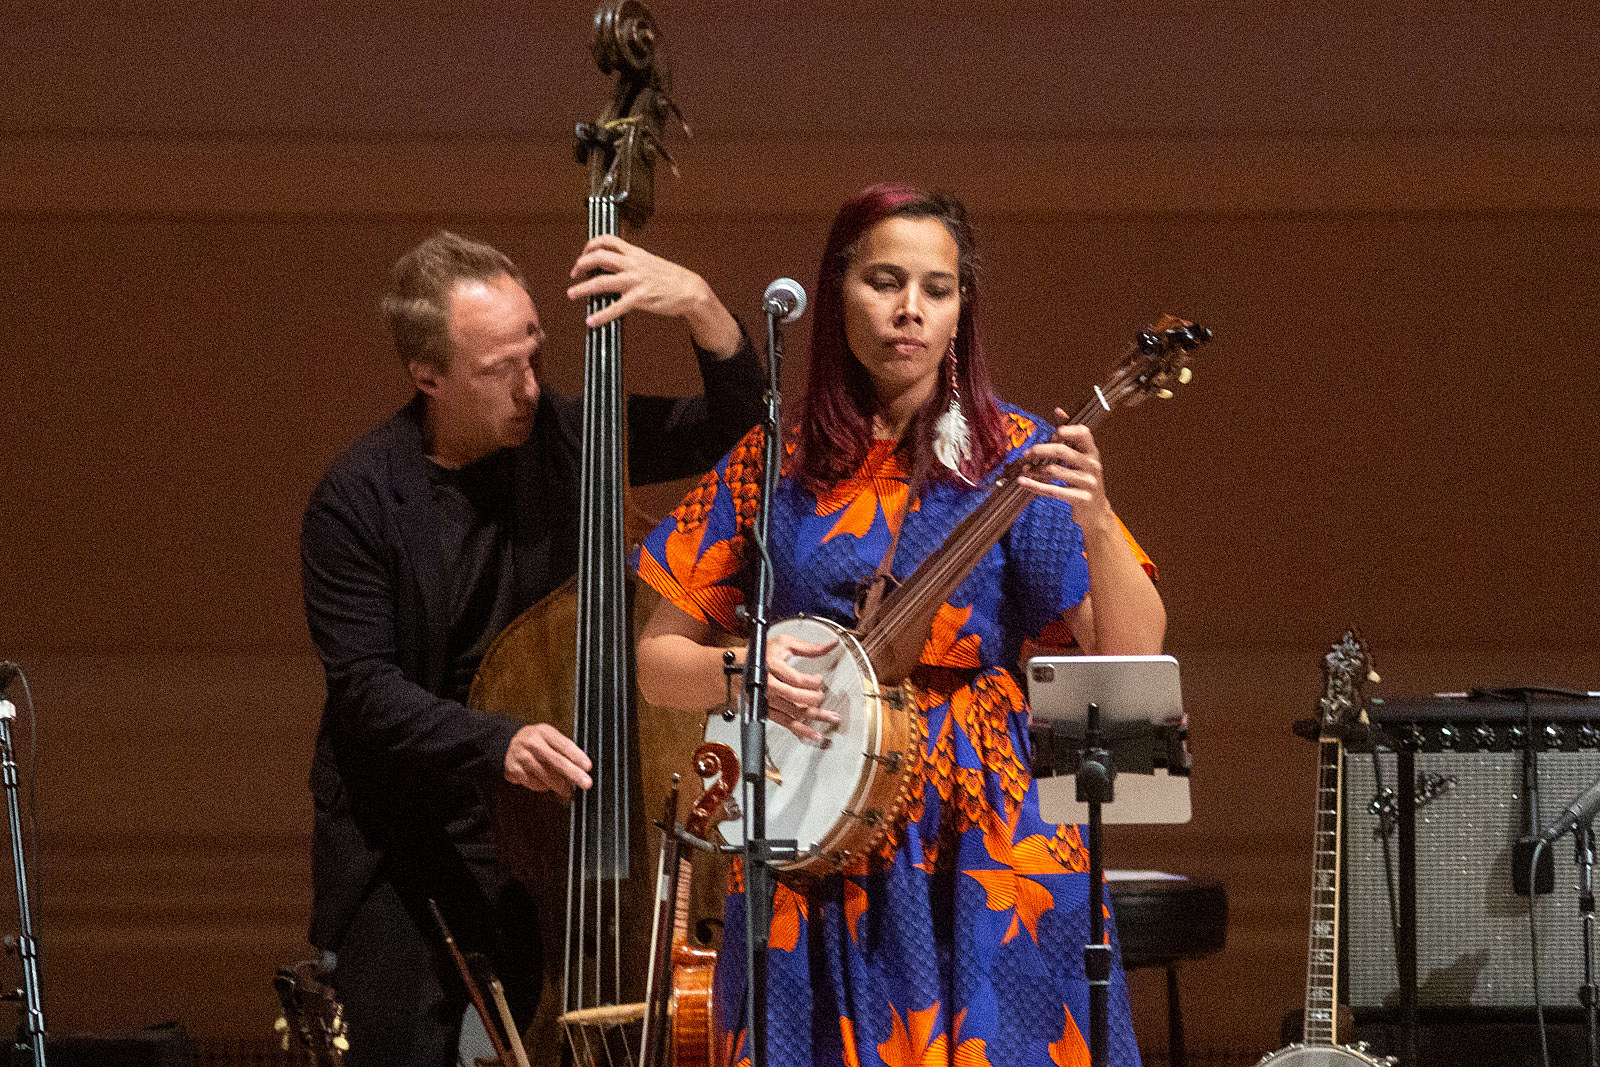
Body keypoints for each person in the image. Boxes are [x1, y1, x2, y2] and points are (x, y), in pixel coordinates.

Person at [633, 185, 1165, 1067]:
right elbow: (657, 662)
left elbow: (1134, 656)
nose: (910, 309)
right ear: (839, 289)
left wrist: (1099, 517)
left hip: (986, 839)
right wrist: (748, 663)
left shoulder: (1015, 459)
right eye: (885, 280)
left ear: (963, 311)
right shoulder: (773, 463)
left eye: (938, 287)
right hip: (811, 827)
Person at [301, 229, 765, 1067]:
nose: (529, 387)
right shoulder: (357, 501)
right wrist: (500, 740)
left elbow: (742, 435)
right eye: (497, 370)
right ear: (427, 376)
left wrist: (700, 305)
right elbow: (365, 691)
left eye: (534, 353)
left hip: (558, 837)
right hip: (414, 840)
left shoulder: (565, 435)